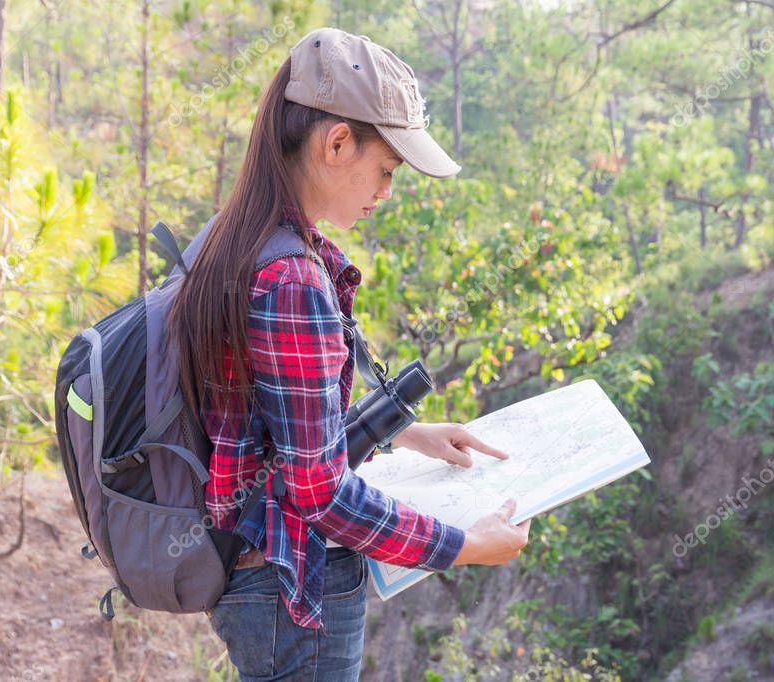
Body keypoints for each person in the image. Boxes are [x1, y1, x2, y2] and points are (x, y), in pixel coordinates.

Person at [168, 26, 532, 682]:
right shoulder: (291, 279)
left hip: (252, 578)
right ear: (336, 142)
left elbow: (269, 425)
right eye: (386, 171)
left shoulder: (234, 239)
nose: (385, 193)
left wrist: (406, 431)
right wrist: (466, 545)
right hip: (294, 588)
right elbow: (320, 493)